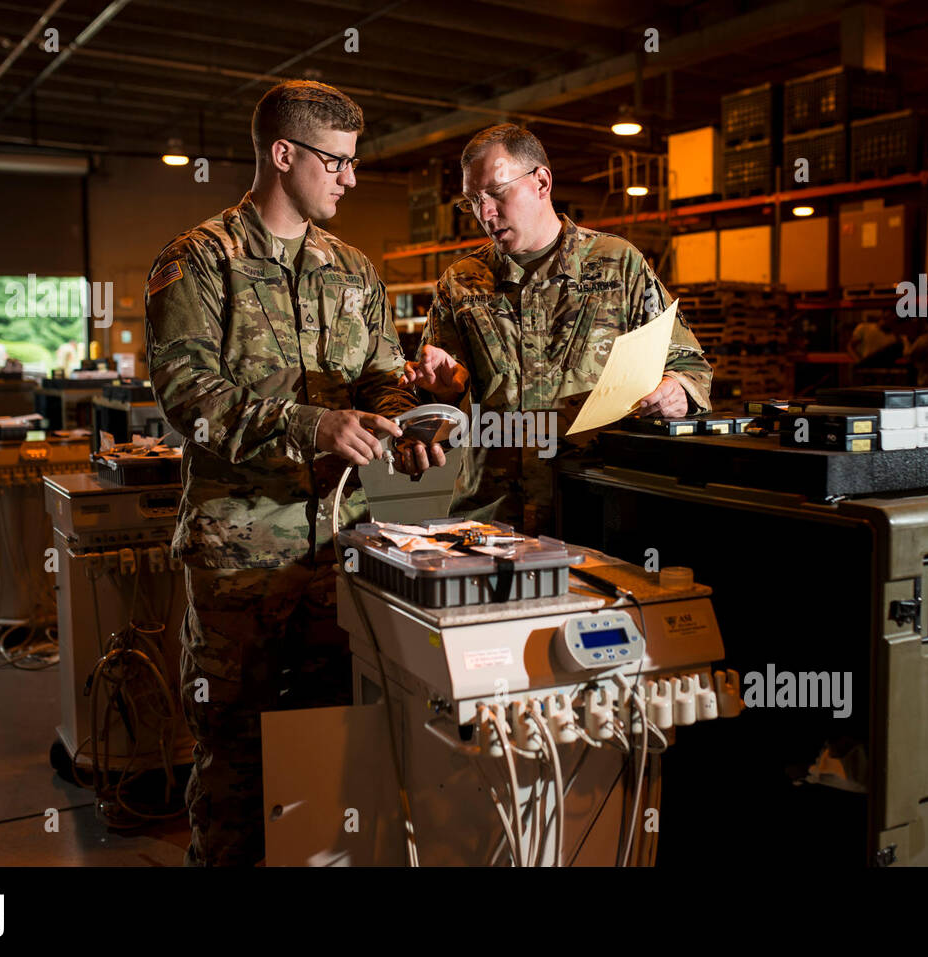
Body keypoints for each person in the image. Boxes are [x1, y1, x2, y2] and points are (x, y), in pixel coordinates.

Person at [143, 79, 442, 867]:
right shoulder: (200, 262)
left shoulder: (353, 270)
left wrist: (407, 422)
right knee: (236, 762)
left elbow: (380, 373)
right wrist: (316, 426)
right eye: (338, 161)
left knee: (332, 749)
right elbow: (188, 396)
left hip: (337, 555)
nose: (350, 177)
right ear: (284, 155)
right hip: (240, 562)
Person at [400, 124, 712, 535]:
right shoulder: (461, 283)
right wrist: (441, 391)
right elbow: (430, 407)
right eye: (474, 201)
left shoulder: (619, 265)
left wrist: (678, 389)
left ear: (541, 181)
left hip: (597, 505)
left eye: (496, 193)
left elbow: (690, 364)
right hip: (492, 517)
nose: (485, 213)